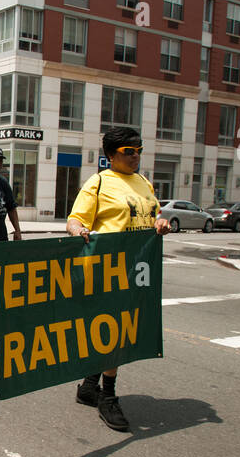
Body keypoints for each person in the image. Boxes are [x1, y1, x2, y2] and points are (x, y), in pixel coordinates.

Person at [66, 125, 171, 432]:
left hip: (139, 271)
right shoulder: (99, 182)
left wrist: (161, 222)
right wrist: (79, 231)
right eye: (128, 152)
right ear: (111, 155)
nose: (135, 156)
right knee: (116, 332)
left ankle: (88, 386)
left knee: (122, 330)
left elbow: (153, 215)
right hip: (108, 272)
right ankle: (107, 396)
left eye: (139, 150)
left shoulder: (143, 183)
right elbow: (75, 220)